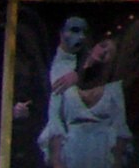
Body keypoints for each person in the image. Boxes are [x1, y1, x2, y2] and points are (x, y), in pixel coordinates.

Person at [37, 38, 132, 168]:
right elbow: (55, 122)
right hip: (71, 154)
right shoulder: (64, 78)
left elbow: (120, 131)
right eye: (103, 45)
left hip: (103, 155)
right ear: (92, 47)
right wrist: (57, 161)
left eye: (110, 52)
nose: (104, 52)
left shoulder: (114, 89)